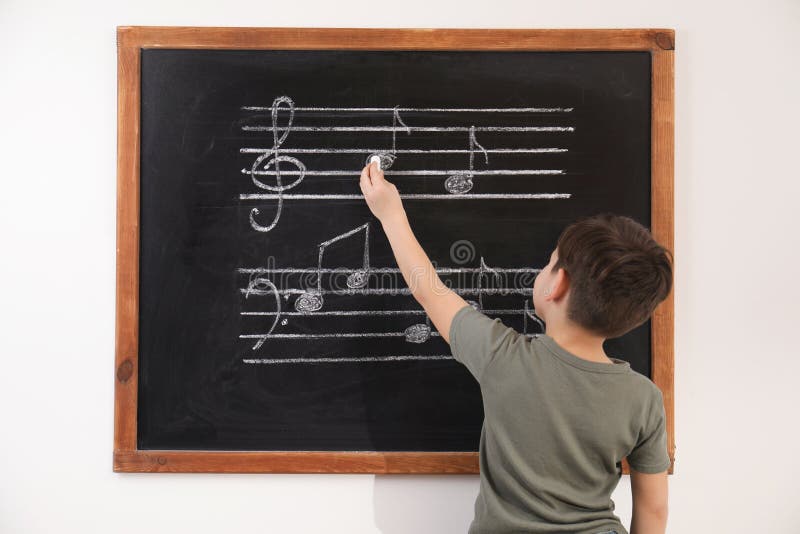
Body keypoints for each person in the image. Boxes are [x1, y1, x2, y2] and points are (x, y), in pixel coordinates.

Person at [359, 161, 673, 534]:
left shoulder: (502, 358)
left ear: (558, 285)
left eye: (549, 262)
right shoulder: (645, 398)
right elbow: (654, 510)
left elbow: (429, 291)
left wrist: (389, 213)